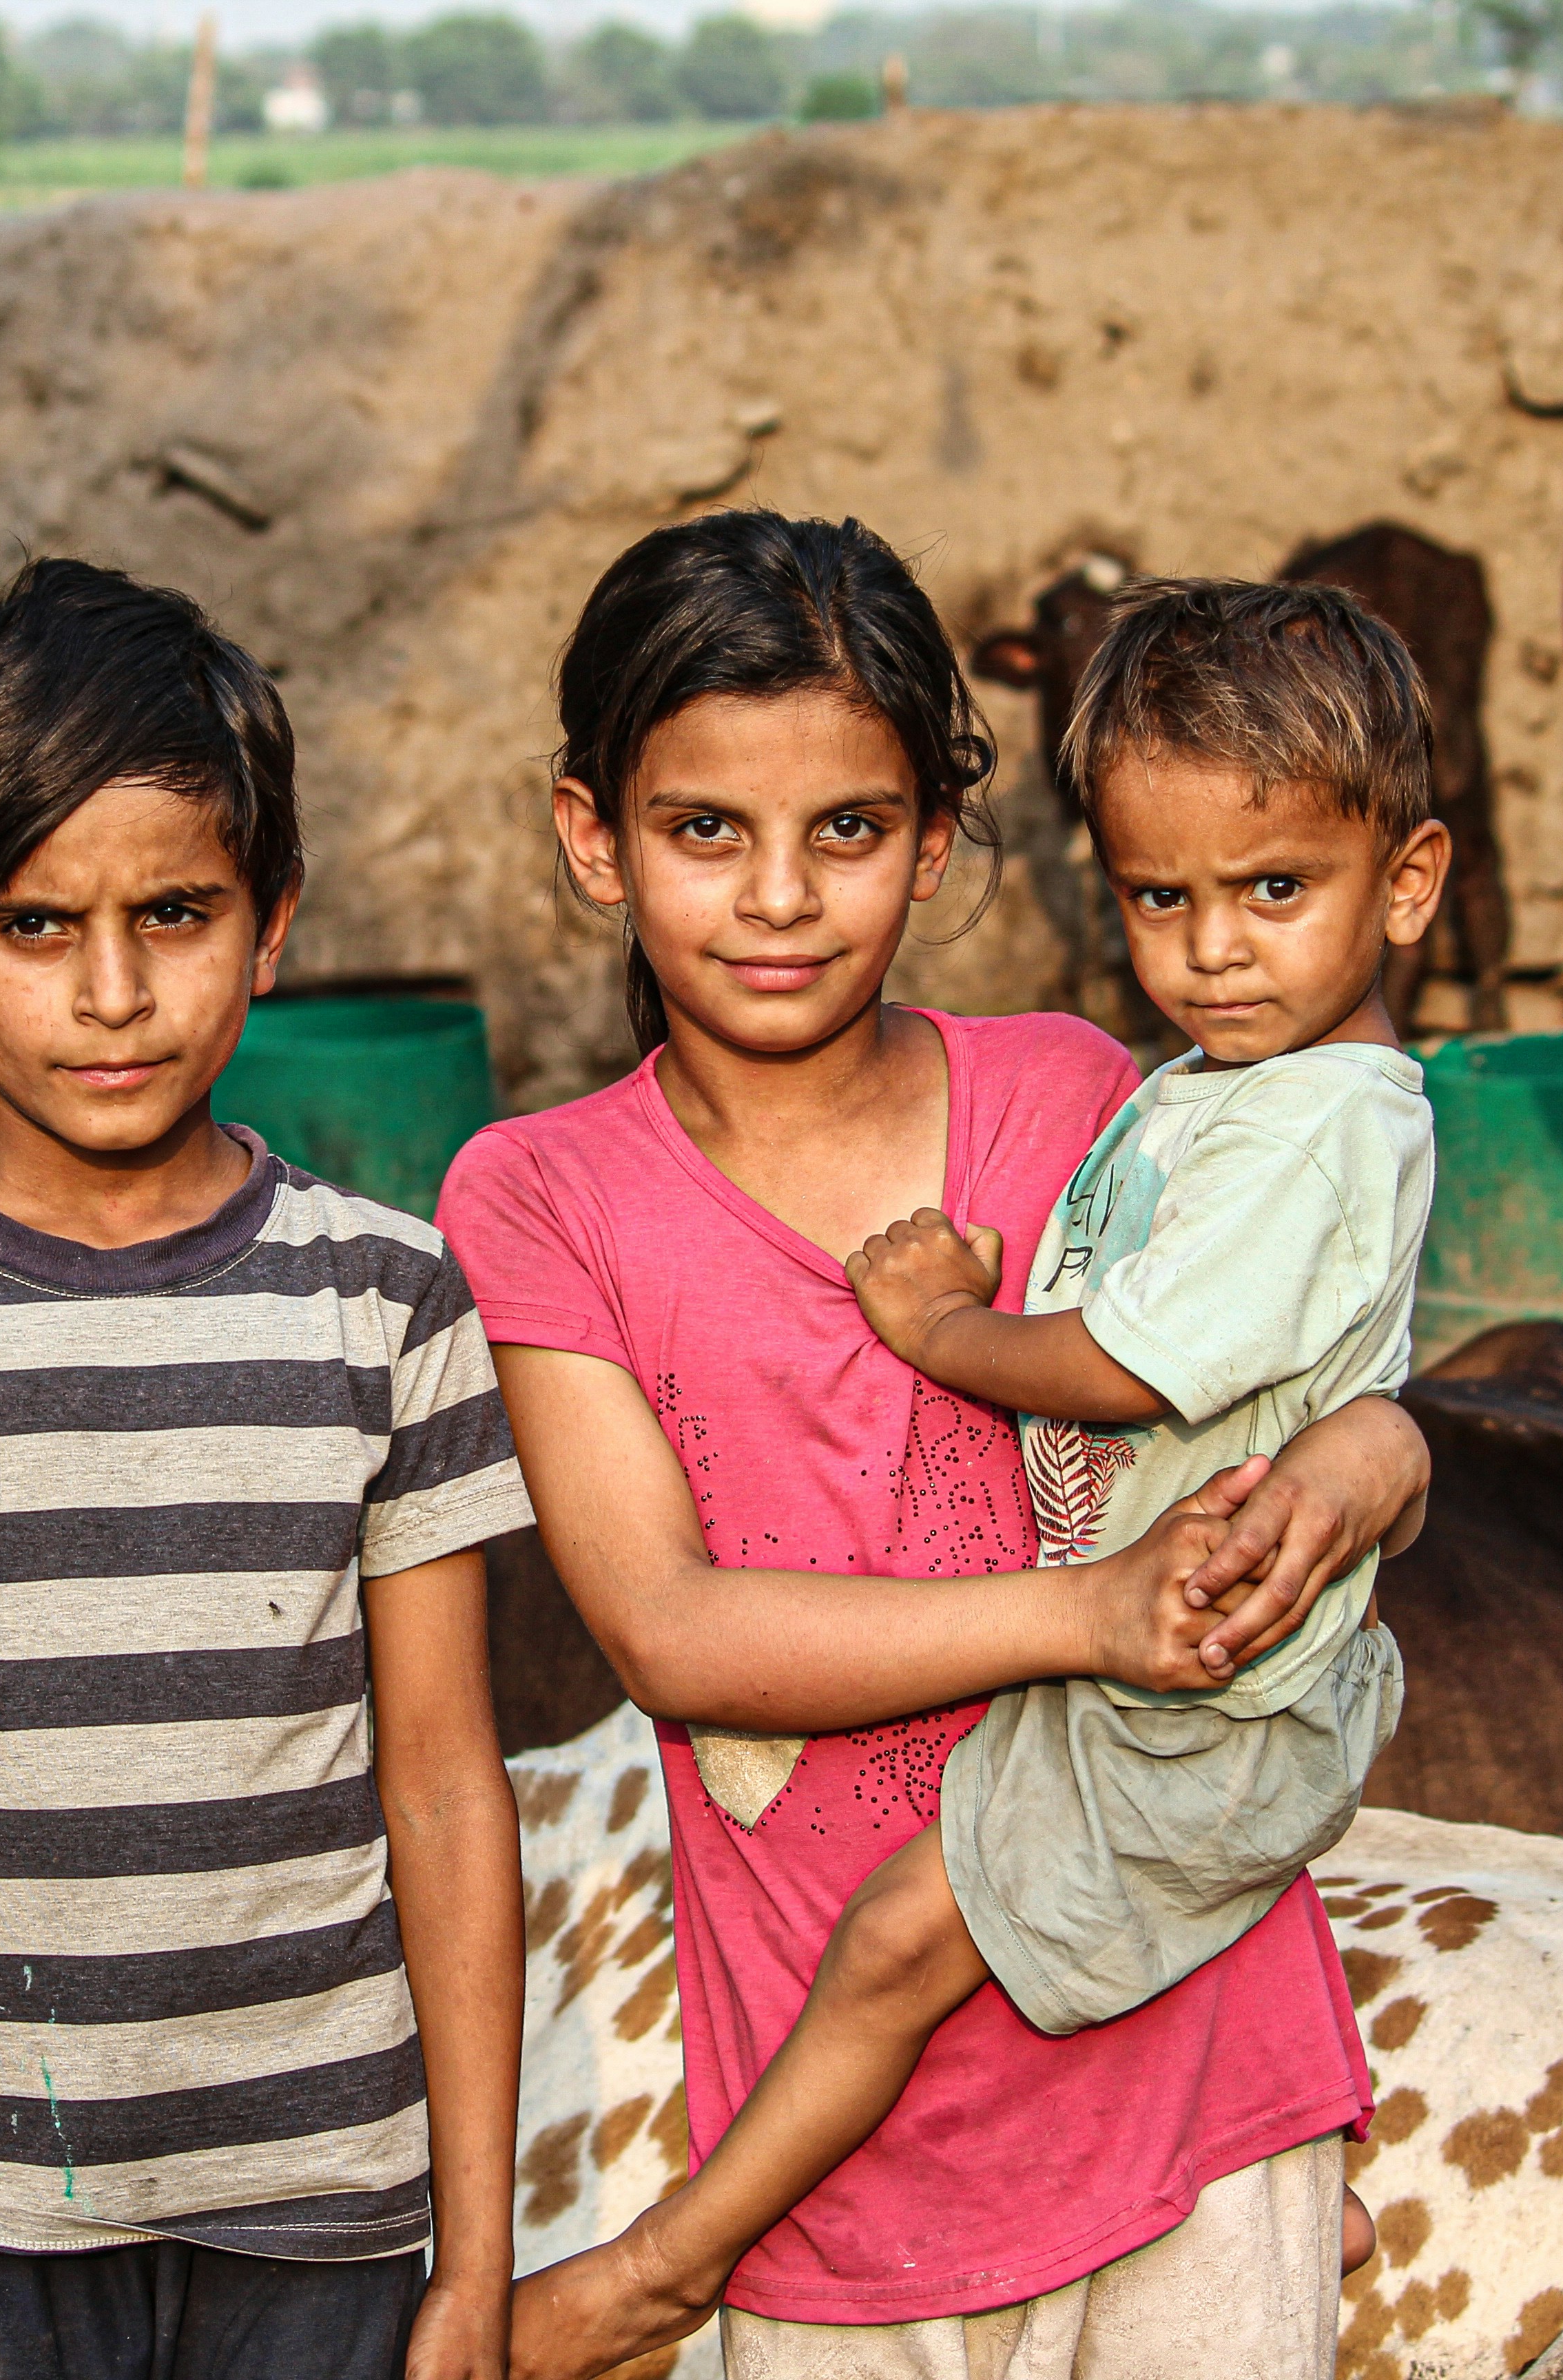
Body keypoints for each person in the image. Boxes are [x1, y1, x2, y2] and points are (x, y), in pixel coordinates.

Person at [439, 512, 1432, 2380]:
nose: (781, 899)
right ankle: (672, 2265)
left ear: (942, 840)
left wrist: (1385, 1455)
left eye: (852, 830)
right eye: (703, 830)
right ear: (596, 838)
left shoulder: (1081, 1099)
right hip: (840, 2179)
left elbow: (1292, 1365)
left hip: (1198, 2088)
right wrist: (1091, 1615)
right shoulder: (546, 1197)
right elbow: (670, 1633)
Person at [0, 561, 533, 2380]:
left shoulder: (388, 1295)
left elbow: (450, 1786)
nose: (117, 990)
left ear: (273, 924)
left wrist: (476, 2255)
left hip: (329, 2202)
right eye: (37, 926)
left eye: (175, 914)